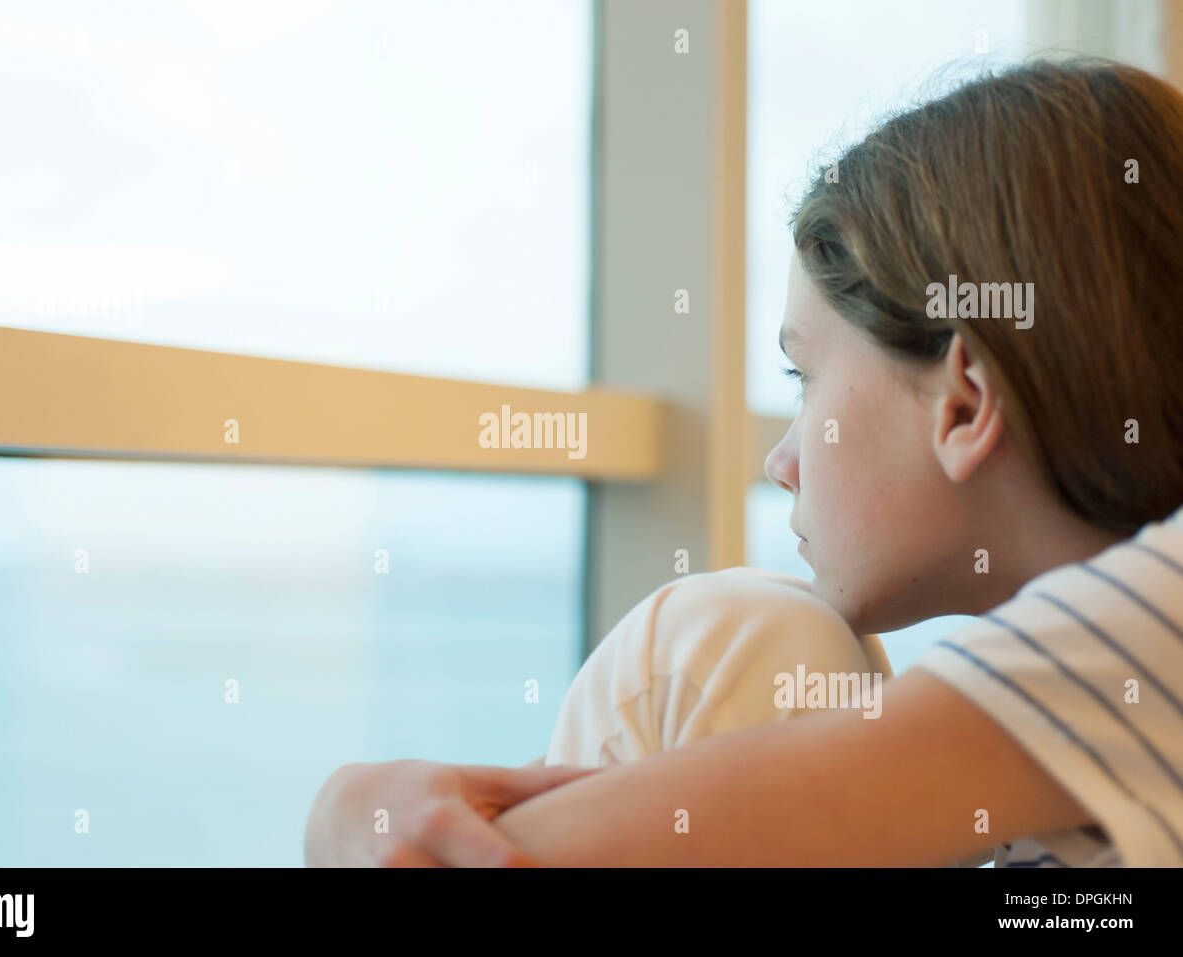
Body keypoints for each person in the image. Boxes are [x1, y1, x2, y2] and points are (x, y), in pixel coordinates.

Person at [304, 56, 1183, 867]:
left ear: (964, 401)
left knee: (754, 626)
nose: (782, 460)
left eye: (807, 378)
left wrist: (343, 808)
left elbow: (521, 850)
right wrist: (364, 806)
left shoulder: (1158, 620)